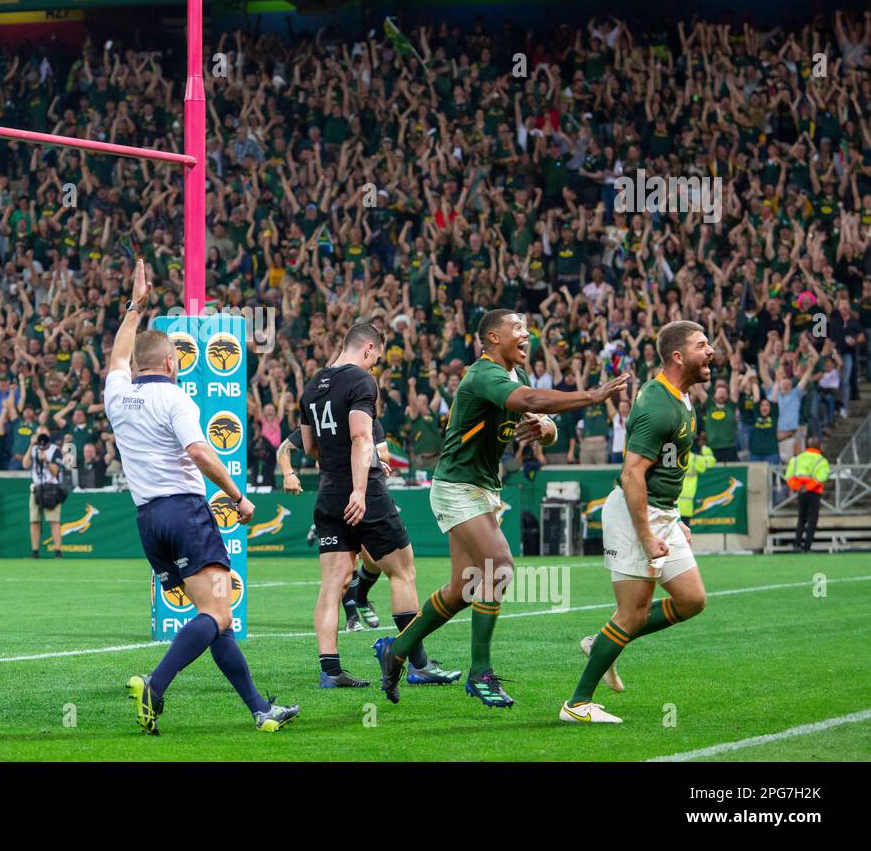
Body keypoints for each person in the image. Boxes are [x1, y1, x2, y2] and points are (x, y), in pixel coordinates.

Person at [379, 309, 629, 708]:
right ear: (492, 338)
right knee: (499, 566)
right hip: (457, 485)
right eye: (517, 328)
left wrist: (545, 430)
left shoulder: (518, 376)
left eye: (526, 328)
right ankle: (480, 673)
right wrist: (591, 395)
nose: (526, 333)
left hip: (482, 487)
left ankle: (397, 649)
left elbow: (543, 423)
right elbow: (528, 400)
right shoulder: (482, 374)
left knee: (463, 590)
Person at [111, 261, 298, 735]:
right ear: (172, 363)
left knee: (219, 620)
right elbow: (199, 452)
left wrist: (135, 307)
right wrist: (238, 495)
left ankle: (259, 708)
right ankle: (155, 684)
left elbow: (116, 357)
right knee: (216, 613)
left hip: (149, 522)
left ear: (137, 364)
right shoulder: (176, 400)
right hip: (185, 514)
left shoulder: (118, 393)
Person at [561, 321, 712, 724]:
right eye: (702, 345)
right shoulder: (657, 404)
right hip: (633, 515)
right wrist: (646, 534)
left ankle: (604, 644)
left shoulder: (680, 397)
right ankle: (577, 704)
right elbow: (632, 475)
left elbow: (666, 469)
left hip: (660, 513)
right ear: (678, 356)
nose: (711, 351)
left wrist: (673, 518)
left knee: (691, 599)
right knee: (632, 613)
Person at [301, 322, 460, 690]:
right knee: (403, 571)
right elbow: (360, 436)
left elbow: (311, 448)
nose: (375, 366)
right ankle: (417, 663)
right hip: (364, 494)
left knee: (331, 585)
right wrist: (359, 488)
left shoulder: (312, 386)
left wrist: (352, 465)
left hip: (327, 492)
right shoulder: (360, 381)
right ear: (369, 348)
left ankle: (331, 671)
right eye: (377, 358)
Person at [276, 422, 391, 632]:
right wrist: (288, 473)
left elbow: (384, 456)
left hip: (365, 496)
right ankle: (352, 619)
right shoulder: (321, 419)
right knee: (344, 568)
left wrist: (377, 461)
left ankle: (362, 598)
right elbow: (284, 449)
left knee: (374, 561)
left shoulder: (368, 421)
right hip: (334, 496)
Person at [23, 430, 64, 558]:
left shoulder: (55, 450)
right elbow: (25, 464)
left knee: (54, 520)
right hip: (36, 488)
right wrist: (31, 445)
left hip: (51, 488)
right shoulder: (34, 449)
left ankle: (58, 551)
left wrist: (46, 461)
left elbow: (55, 472)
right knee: (34, 520)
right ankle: (35, 551)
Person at [785, 439, 830, 553]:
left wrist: (798, 487)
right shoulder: (821, 460)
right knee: (812, 520)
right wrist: (808, 487)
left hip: (801, 492)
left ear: (806, 445)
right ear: (819, 446)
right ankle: (807, 547)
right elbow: (821, 478)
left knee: (801, 518)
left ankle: (796, 544)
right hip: (814, 493)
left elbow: (789, 477)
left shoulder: (797, 459)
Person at [676, 433, 715, 520]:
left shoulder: (669, 457)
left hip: (669, 505)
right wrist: (704, 447)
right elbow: (710, 462)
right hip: (685, 507)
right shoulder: (692, 458)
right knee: (684, 532)